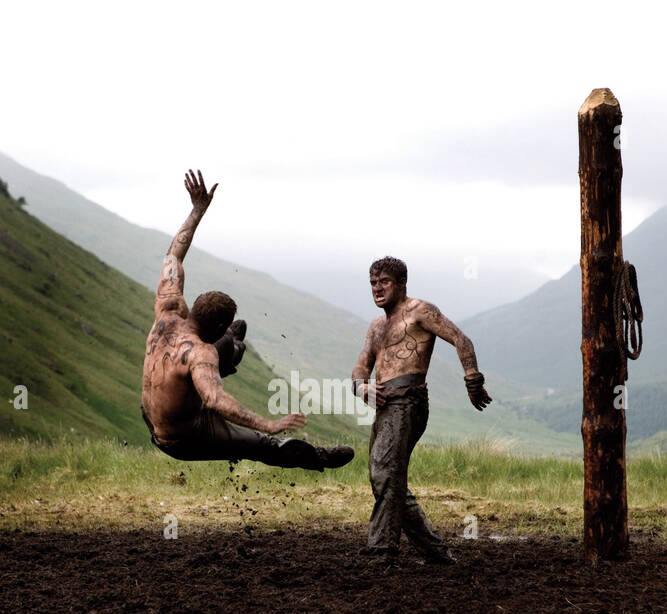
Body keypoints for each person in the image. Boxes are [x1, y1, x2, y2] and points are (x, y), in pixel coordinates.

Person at [140, 170, 354, 471]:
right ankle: (318, 458)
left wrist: (197, 210)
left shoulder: (169, 310)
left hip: (154, 417)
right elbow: (215, 400)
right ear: (213, 328)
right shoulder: (201, 352)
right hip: (182, 436)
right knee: (261, 444)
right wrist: (269, 424)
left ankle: (233, 343)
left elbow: (173, 257)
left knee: (228, 343)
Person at [350, 256, 492, 565]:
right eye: (373, 283)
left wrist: (472, 378)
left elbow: (460, 338)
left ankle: (382, 550)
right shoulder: (375, 327)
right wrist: (361, 387)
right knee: (384, 477)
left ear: (401, 284)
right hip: (384, 407)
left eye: (384, 282)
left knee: (386, 473)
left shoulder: (420, 311)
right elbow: (361, 366)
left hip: (409, 402)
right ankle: (436, 553)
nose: (377, 288)